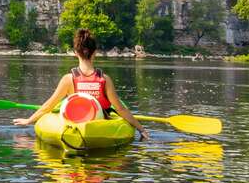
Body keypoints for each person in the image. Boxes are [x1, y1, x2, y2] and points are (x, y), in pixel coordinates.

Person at [13, 28, 150, 140]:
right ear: (95, 52)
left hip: (75, 125)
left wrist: (29, 120)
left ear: (75, 53)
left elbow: (49, 105)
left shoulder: (68, 79)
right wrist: (141, 129)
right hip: (98, 125)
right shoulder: (104, 79)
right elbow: (121, 109)